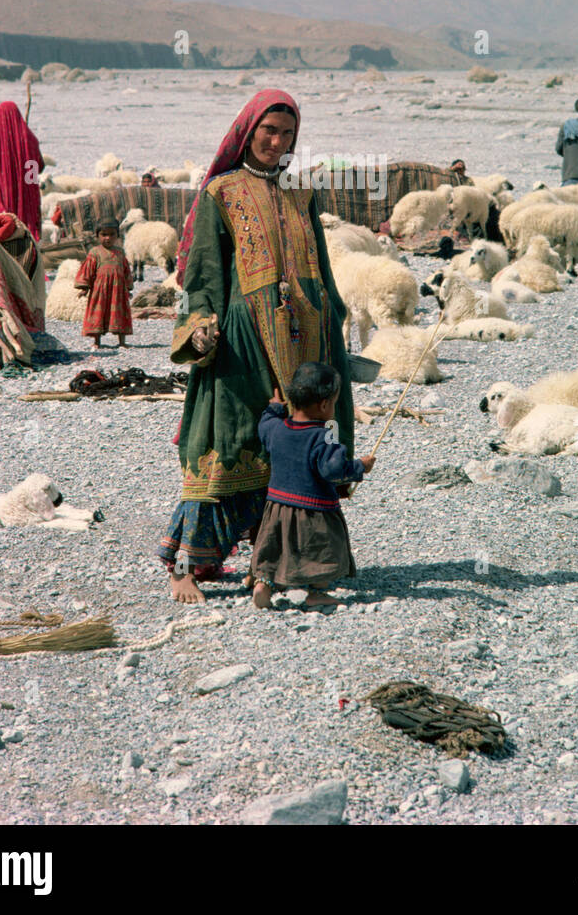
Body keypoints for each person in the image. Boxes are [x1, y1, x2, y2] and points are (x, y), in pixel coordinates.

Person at [159, 88, 354, 604]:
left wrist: (335, 315)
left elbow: (323, 267)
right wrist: (200, 324)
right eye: (269, 131)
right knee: (230, 441)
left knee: (295, 448)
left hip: (305, 338)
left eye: (288, 134)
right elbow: (202, 273)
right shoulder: (221, 193)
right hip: (243, 343)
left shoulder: (303, 192)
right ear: (248, 131)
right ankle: (187, 561)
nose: (278, 141)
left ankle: (278, 563)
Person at [251, 363, 374, 610]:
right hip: (314, 509)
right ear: (325, 405)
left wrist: (274, 408)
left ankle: (264, 583)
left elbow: (263, 426)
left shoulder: (277, 429)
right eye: (335, 403)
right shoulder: (324, 436)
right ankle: (317, 592)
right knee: (321, 551)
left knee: (275, 546)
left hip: (277, 505)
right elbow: (333, 470)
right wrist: (360, 466)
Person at [0, 102, 44, 240]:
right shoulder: (30, 139)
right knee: (27, 222)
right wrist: (28, 184)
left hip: (2, 194)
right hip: (27, 196)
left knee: (1, 225)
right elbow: (38, 166)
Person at [73, 218, 133, 349]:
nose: (108, 238)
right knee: (98, 313)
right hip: (100, 291)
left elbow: (126, 270)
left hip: (118, 291)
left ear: (117, 235)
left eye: (112, 234)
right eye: (104, 234)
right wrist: (84, 288)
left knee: (119, 312)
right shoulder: (95, 252)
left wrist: (128, 288)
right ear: (97, 236)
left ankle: (122, 341)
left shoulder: (120, 252)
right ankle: (96, 341)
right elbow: (87, 271)